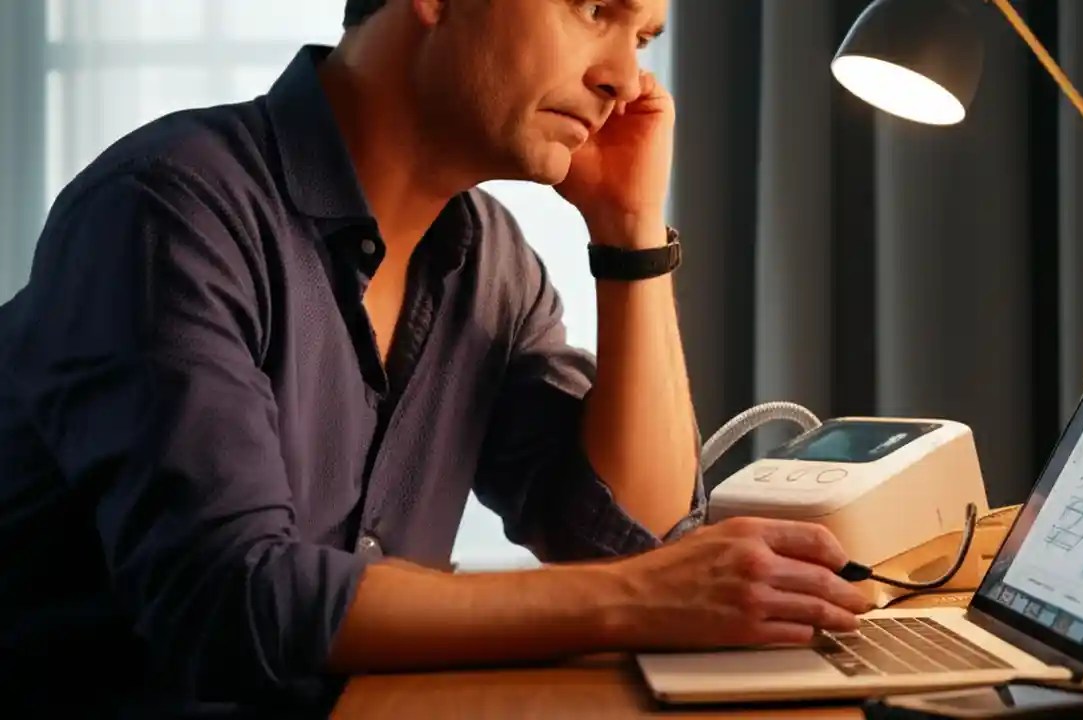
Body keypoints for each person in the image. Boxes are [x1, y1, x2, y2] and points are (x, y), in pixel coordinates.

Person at [0, 0, 872, 715]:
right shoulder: (166, 210)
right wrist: (649, 595)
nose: (625, 79)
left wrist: (631, 239)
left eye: (641, 40)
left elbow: (619, 534)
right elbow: (231, 603)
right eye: (594, 10)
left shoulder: (489, 260)